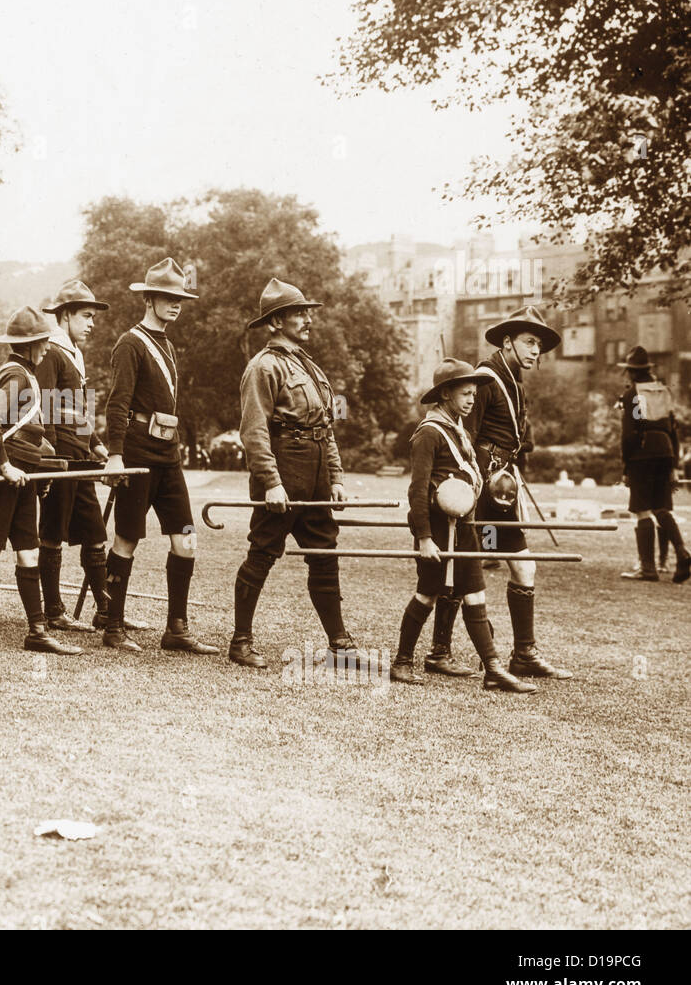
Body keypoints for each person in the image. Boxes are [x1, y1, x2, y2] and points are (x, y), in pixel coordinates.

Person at [229, 278, 362, 670]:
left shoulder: (311, 366)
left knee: (325, 554)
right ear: (275, 322)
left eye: (307, 313)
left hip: (317, 472)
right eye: (298, 314)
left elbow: (326, 426)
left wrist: (336, 478)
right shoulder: (262, 367)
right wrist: (271, 483)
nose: (307, 320)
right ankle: (241, 641)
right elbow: (253, 432)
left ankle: (339, 641)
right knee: (263, 551)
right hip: (284, 470)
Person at [391, 359, 537, 692]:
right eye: (465, 393)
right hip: (439, 532)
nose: (472, 400)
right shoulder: (428, 433)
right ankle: (401, 662)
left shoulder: (460, 431)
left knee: (475, 594)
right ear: (444, 395)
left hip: (465, 529)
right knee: (427, 595)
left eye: (474, 393)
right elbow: (417, 489)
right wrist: (425, 538)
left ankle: (494, 669)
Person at [100, 258, 217, 656]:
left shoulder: (169, 345)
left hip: (168, 455)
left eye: (180, 298)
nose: (176, 304)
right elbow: (117, 404)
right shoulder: (130, 342)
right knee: (126, 539)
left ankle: (177, 629)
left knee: (186, 539)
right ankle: (113, 626)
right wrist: (115, 455)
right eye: (167, 297)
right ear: (148, 298)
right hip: (135, 452)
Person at [450, 305, 573, 679]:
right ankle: (442, 651)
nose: (536, 350)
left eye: (539, 344)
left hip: (502, 488)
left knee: (509, 565)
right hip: (484, 490)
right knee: (470, 566)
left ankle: (523, 654)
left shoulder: (515, 382)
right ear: (507, 342)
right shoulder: (486, 378)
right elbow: (463, 436)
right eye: (529, 342)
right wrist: (463, 488)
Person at [0, 307, 82, 655]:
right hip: (6, 475)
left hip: (23, 477)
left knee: (28, 550)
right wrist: (6, 466)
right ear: (30, 345)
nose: (45, 349)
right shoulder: (17, 376)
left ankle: (37, 632)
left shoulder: (25, 373)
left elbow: (30, 429)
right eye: (42, 343)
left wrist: (41, 465)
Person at [36, 280, 113, 633]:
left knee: (95, 531)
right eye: (85, 315)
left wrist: (96, 442)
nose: (92, 323)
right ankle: (53, 610)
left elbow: (78, 409)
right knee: (53, 531)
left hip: (80, 454)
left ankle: (105, 608)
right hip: (60, 455)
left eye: (93, 316)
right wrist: (49, 458)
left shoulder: (75, 354)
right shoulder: (50, 351)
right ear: (64, 316)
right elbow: (46, 406)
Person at [615, 346, 689, 583]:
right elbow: (673, 428)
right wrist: (674, 463)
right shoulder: (663, 391)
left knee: (642, 509)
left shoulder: (633, 394)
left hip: (642, 454)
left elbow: (630, 434)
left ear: (631, 372)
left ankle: (647, 568)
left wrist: (626, 464)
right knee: (661, 507)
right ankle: (682, 552)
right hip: (666, 451)